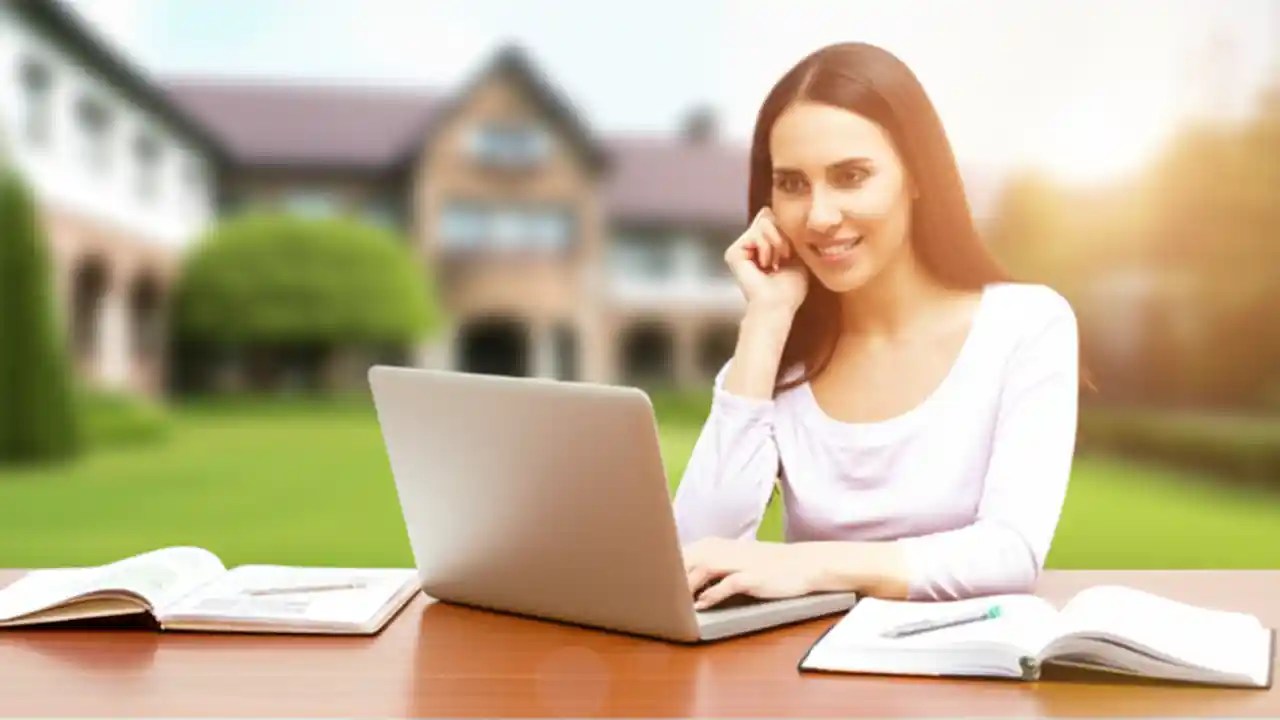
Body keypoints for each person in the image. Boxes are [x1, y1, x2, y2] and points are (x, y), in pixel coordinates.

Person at [673, 42, 1081, 609]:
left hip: (962, 677)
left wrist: (805, 563)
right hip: (805, 678)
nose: (818, 217)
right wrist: (766, 318)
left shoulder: (1026, 325)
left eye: (851, 176)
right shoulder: (777, 355)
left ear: (917, 176)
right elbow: (696, 554)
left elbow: (1011, 551)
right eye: (792, 183)